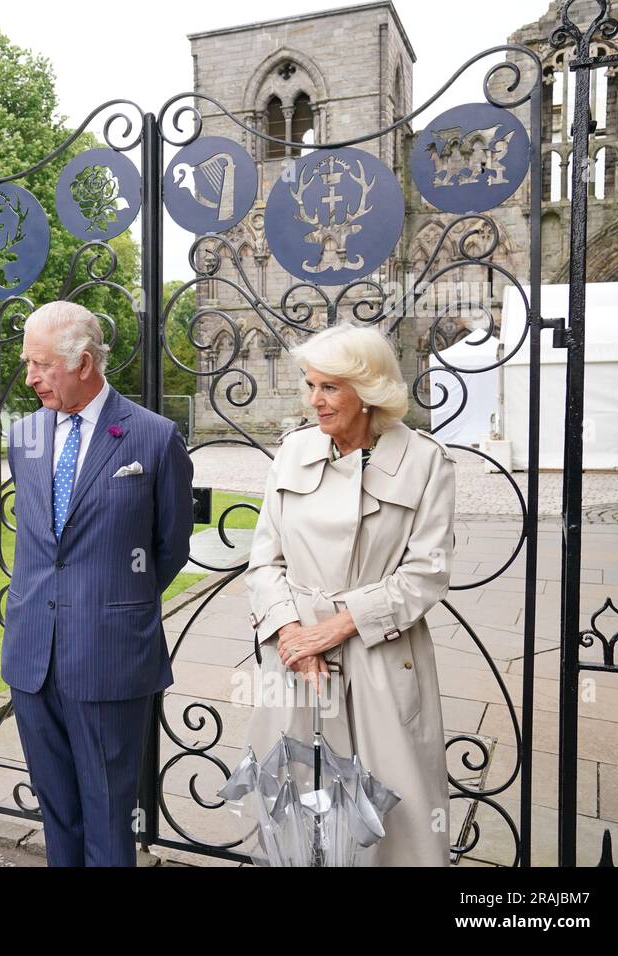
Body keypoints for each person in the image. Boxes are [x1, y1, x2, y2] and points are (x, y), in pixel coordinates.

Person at [244, 324, 457, 866]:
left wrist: (340, 625)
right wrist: (294, 633)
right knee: (294, 806)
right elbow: (264, 560)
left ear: (368, 391)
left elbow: (426, 574)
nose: (314, 400)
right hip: (296, 661)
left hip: (379, 661)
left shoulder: (426, 461)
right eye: (309, 384)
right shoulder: (292, 451)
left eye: (330, 387)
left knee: (393, 818)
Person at [2, 301, 193, 866]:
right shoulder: (24, 435)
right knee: (56, 811)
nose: (31, 377)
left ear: (84, 363)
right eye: (27, 364)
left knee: (110, 817)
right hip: (33, 653)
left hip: (110, 656)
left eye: (41, 365)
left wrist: (113, 604)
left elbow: (170, 546)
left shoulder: (154, 439)